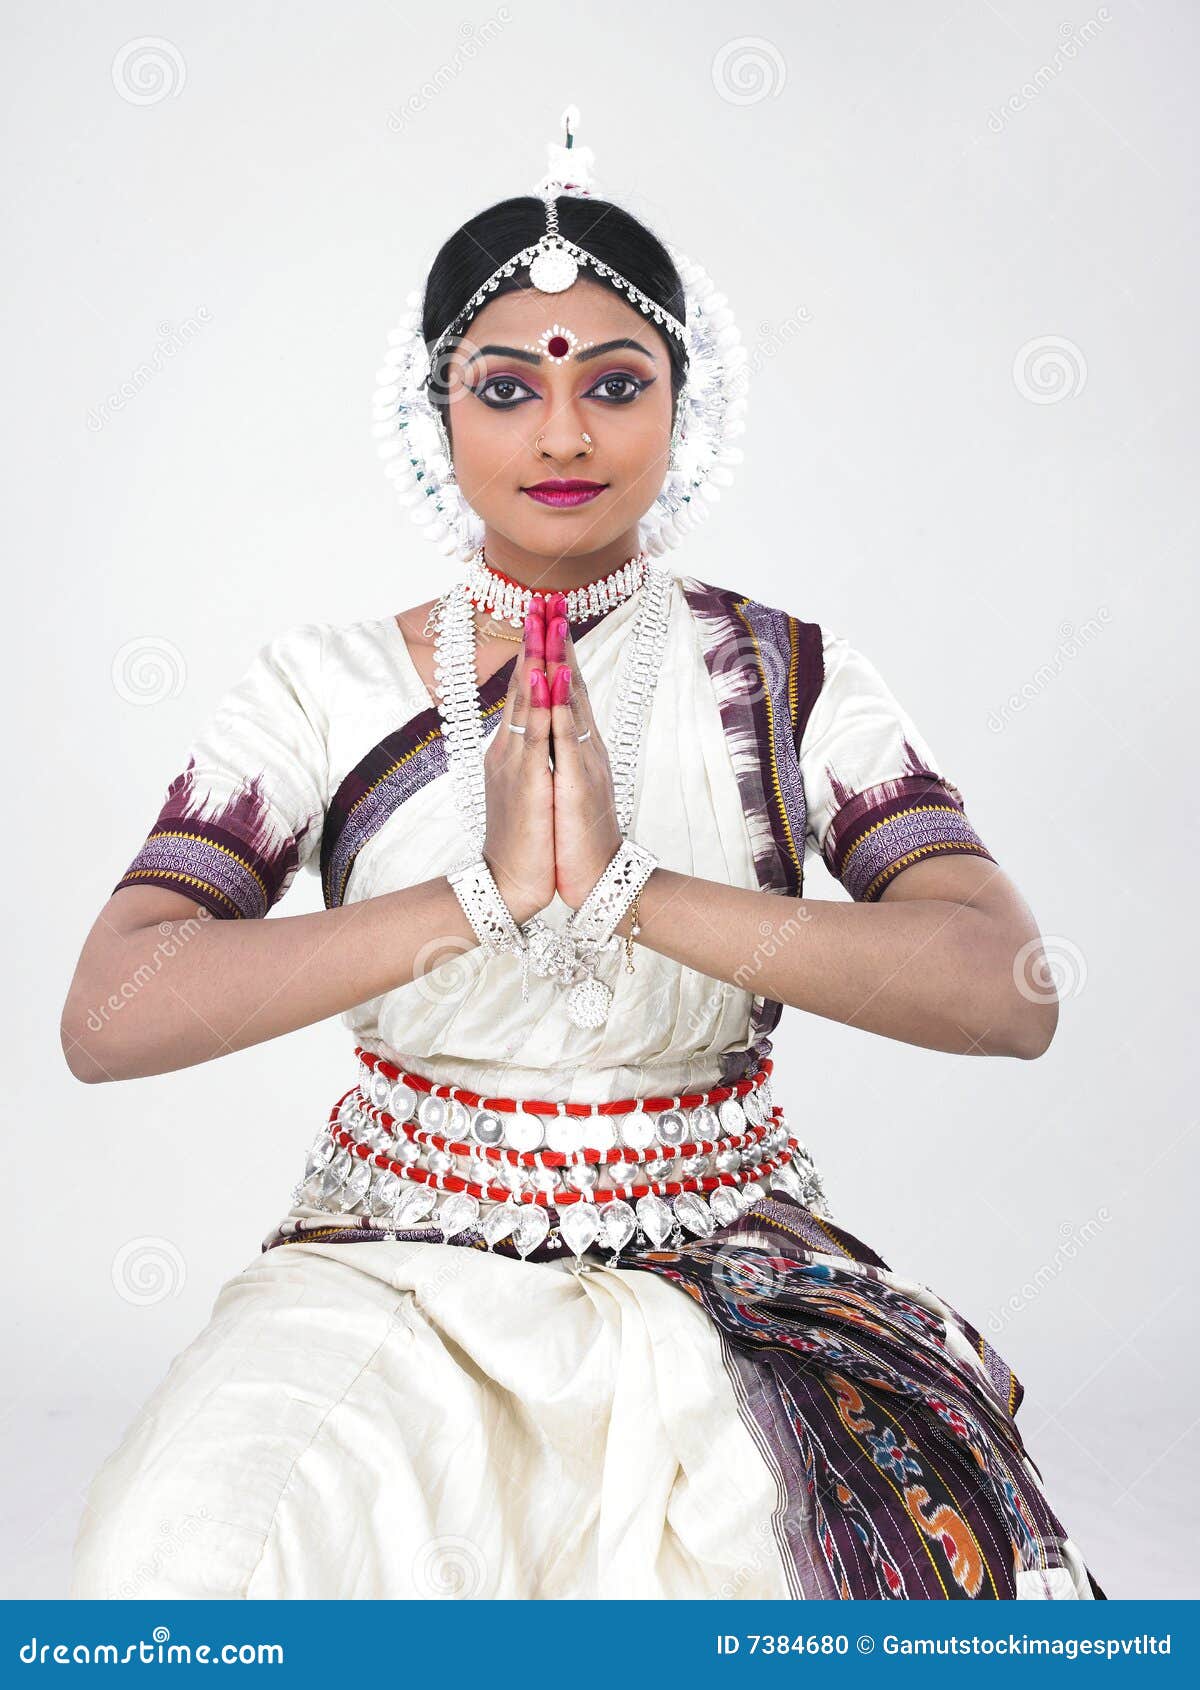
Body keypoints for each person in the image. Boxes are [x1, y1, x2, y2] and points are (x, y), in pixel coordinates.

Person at [61, 112, 1105, 1601]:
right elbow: (107, 1014)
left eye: (616, 383)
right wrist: (474, 898)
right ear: (437, 415)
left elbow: (1011, 992)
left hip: (722, 1272)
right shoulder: (323, 686)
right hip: (386, 1266)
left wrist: (635, 890)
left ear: (689, 408)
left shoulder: (783, 674)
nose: (563, 436)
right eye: (506, 388)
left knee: (852, 1586)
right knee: (182, 1565)